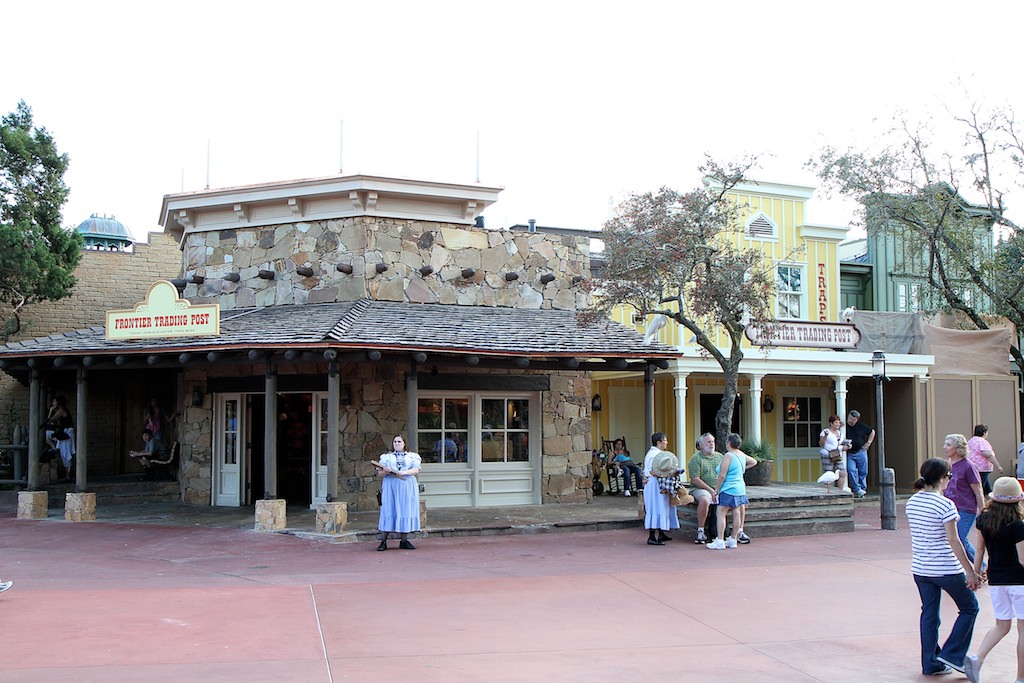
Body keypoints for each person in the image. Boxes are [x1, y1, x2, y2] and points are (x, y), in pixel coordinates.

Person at [906, 457, 980, 676]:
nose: (950, 479)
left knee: (929, 614)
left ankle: (930, 663)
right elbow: (954, 540)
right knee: (970, 608)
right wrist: (970, 570)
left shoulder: (912, 501)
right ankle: (951, 654)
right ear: (941, 478)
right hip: (945, 567)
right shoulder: (945, 504)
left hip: (920, 567)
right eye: (949, 476)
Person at [965, 477, 1024, 683]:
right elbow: (1022, 558)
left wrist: (975, 572)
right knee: (1023, 630)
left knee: (1001, 625)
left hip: (996, 579)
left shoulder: (984, 519)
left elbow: (979, 549)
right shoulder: (1018, 524)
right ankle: (1020, 678)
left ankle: (978, 657)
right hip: (1019, 581)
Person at [706, 433, 757, 550]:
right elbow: (754, 461)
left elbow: (722, 475)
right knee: (736, 513)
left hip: (728, 488)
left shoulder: (728, 456)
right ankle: (733, 539)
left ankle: (720, 539)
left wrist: (716, 490)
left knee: (721, 512)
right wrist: (742, 469)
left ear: (729, 443)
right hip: (740, 488)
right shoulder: (741, 455)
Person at [374, 435, 421, 551]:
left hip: (406, 486)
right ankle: (383, 541)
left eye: (399, 441)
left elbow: (416, 469)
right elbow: (379, 473)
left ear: (404, 443)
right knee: (389, 509)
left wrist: (404, 472)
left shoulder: (412, 456)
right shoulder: (386, 457)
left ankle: (404, 540)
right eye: (395, 441)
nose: (397, 443)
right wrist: (385, 471)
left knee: (405, 509)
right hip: (391, 486)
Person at [944, 433, 986, 565]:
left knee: (959, 538)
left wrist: (982, 510)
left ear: (958, 448)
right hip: (950, 508)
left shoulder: (968, 466)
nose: (945, 447)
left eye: (948, 445)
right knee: (951, 539)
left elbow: (978, 490)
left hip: (966, 509)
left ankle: (981, 567)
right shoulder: (946, 465)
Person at [642, 432, 678, 546]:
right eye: (665, 440)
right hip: (654, 485)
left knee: (661, 507)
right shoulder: (654, 455)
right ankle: (652, 536)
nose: (666, 443)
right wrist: (668, 474)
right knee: (655, 508)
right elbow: (653, 471)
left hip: (655, 483)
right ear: (658, 442)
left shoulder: (655, 453)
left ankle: (661, 533)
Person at [688, 432, 723, 544]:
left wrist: (717, 489)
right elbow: (695, 479)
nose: (711, 444)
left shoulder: (720, 457)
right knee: (705, 500)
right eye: (708, 442)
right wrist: (711, 490)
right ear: (701, 445)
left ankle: (737, 531)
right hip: (700, 488)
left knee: (737, 497)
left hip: (718, 488)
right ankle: (700, 531)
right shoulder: (696, 459)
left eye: (713, 441)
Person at [43, 395, 75, 482]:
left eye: (54, 402)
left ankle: (68, 475)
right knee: (47, 435)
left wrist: (51, 411)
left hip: (67, 432)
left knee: (65, 453)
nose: (53, 403)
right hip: (64, 432)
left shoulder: (62, 410)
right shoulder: (60, 411)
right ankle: (55, 448)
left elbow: (50, 420)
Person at [967, 424, 1003, 496]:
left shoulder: (970, 441)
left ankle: (989, 501)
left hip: (972, 467)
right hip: (982, 469)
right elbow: (988, 455)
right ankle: (979, 504)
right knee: (980, 489)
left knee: (987, 489)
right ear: (984, 433)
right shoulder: (982, 442)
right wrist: (998, 466)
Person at [845, 410, 874, 498]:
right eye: (849, 418)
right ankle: (857, 489)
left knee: (863, 471)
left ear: (857, 420)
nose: (850, 421)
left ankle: (862, 489)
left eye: (853, 420)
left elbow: (872, 431)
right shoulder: (844, 426)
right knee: (851, 470)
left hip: (861, 452)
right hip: (849, 453)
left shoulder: (861, 426)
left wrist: (868, 443)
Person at [818, 415, 849, 494]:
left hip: (837, 455)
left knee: (842, 473)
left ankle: (839, 492)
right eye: (836, 422)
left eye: (839, 423)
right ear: (831, 423)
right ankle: (828, 492)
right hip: (828, 454)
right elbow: (821, 444)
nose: (838, 424)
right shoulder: (825, 431)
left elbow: (840, 445)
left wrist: (847, 446)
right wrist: (825, 436)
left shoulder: (840, 433)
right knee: (829, 474)